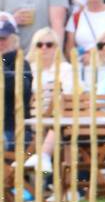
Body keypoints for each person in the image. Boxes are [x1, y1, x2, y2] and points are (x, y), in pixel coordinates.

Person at [22, 27, 71, 171]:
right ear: (34, 47)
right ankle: (43, 157)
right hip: (33, 119)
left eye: (49, 44)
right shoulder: (28, 69)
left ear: (56, 48)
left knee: (60, 112)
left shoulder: (66, 68)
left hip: (59, 118)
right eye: (39, 44)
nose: (44, 48)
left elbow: (72, 95)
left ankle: (43, 156)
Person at [0, 14, 32, 149]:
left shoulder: (21, 63)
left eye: (3, 38)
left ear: (13, 39)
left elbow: (22, 90)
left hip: (13, 129)